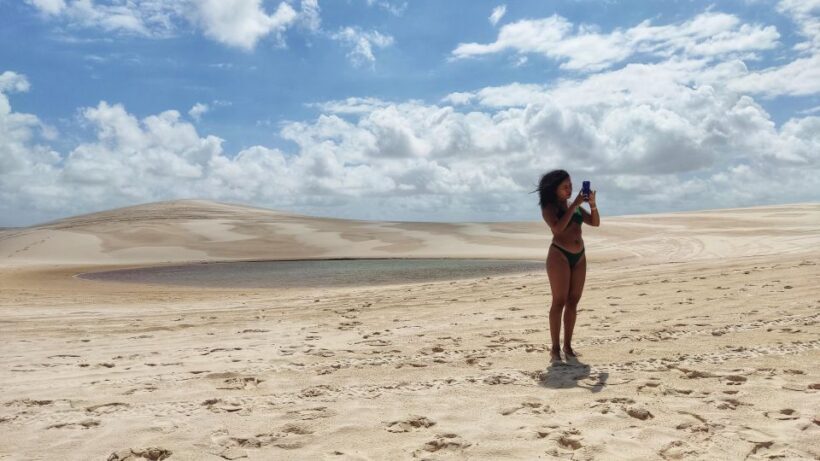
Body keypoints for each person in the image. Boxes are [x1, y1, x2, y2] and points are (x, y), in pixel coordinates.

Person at [536, 170, 600, 362]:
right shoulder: (549, 208)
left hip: (579, 257)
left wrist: (592, 204)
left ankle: (568, 346)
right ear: (554, 189)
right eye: (565, 186)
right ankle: (555, 349)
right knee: (559, 302)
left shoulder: (577, 207)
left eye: (571, 186)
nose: (570, 189)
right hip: (559, 256)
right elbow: (557, 228)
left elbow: (595, 223)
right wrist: (575, 204)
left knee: (573, 301)